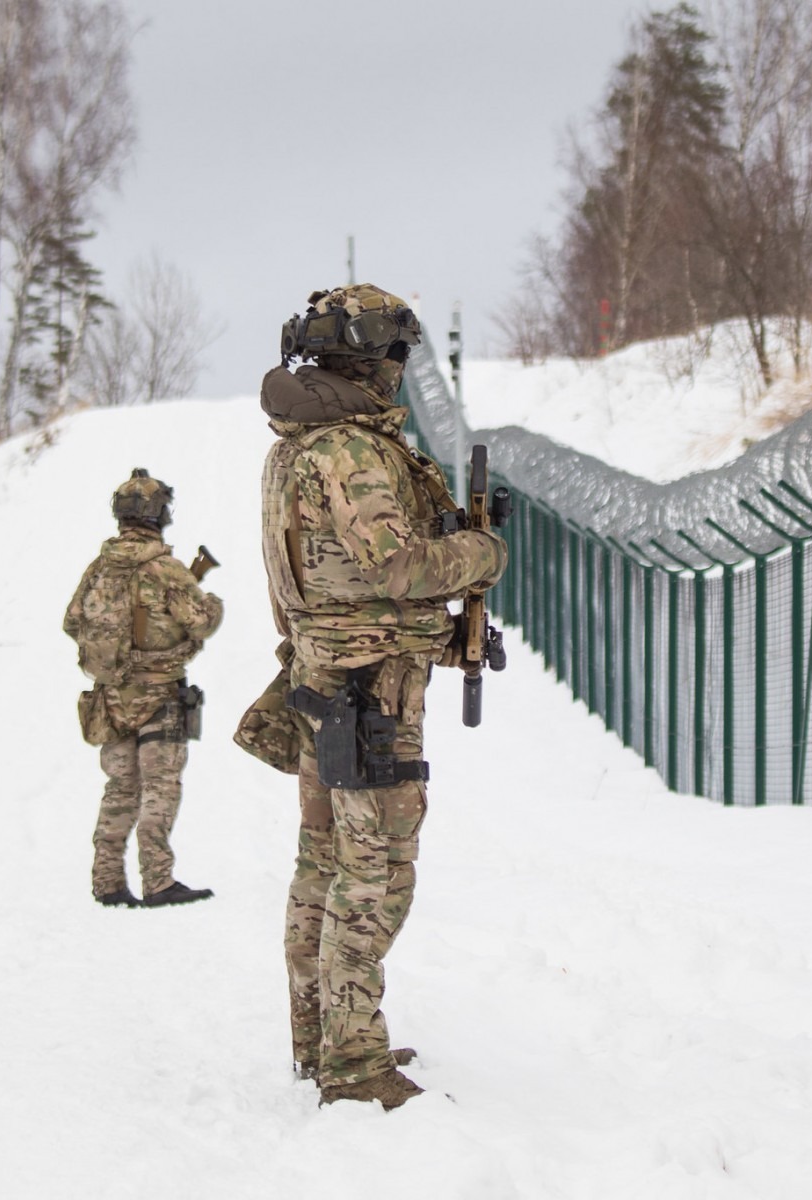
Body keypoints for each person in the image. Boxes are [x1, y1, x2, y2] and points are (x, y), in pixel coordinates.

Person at [257, 283, 504, 1110]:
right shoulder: (353, 454)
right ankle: (355, 1066)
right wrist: (480, 553)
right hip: (372, 688)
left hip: (321, 675)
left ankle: (320, 1037)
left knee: (321, 863)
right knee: (376, 872)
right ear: (376, 359)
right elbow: (398, 569)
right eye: (397, 355)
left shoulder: (295, 446)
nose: (402, 371)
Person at [64, 469, 224, 908]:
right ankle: (158, 882)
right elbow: (202, 622)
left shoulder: (99, 568)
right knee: (160, 787)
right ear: (159, 515)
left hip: (109, 697)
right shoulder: (166, 568)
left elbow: (71, 621)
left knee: (120, 788)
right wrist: (208, 602)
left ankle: (108, 882)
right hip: (158, 695)